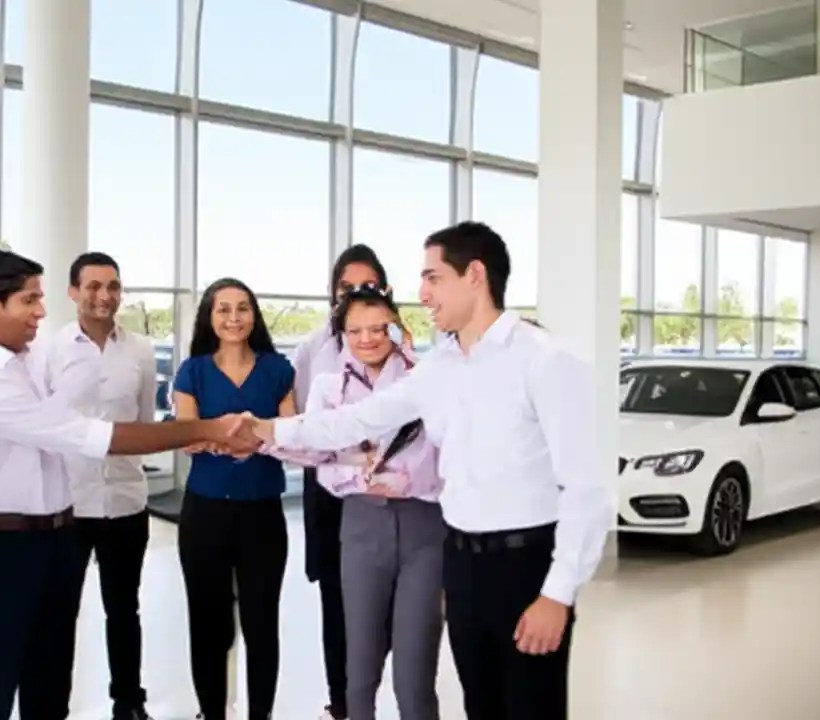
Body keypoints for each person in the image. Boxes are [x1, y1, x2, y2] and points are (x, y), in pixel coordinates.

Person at [233, 222, 613, 720]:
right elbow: (353, 421)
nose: (423, 294)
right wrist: (266, 430)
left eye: (432, 277)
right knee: (482, 706)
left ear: (474, 275)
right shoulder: (440, 367)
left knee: (530, 707)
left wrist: (557, 595)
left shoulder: (544, 361)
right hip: (460, 561)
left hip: (526, 566)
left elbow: (586, 489)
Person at [0, 251, 259, 720]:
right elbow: (102, 436)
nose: (41, 311)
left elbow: (128, 423)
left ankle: (125, 701)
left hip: (57, 528)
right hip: (11, 544)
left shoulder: (25, 361)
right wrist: (208, 429)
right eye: (29, 300)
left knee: (47, 675)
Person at [267, 283, 443, 720]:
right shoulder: (329, 386)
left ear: (398, 328)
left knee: (414, 673)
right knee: (359, 669)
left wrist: (403, 478)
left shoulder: (426, 379)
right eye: (355, 330)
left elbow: (441, 457)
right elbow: (321, 456)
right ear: (341, 334)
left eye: (378, 328)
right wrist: (358, 474)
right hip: (361, 527)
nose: (367, 339)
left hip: (424, 529)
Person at [172, 278, 296, 720]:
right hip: (205, 512)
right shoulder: (193, 371)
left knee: (263, 625)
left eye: (242, 308)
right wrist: (244, 435)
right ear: (210, 316)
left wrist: (249, 439)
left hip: (262, 513)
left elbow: (292, 436)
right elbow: (186, 436)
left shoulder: (279, 369)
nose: (233, 318)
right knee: (208, 623)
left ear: (254, 315)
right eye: (223, 309)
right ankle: (213, 713)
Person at [44, 252, 157, 720]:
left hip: (126, 501)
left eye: (112, 286)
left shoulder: (141, 351)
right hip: (68, 503)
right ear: (73, 291)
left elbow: (146, 422)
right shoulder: (49, 350)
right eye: (92, 286)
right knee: (59, 614)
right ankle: (53, 705)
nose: (103, 296)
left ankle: (128, 702)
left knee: (124, 611)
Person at [289, 244, 390, 720]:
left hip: (385, 490)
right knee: (335, 594)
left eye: (366, 286)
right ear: (332, 292)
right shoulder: (314, 347)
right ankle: (343, 701)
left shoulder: (404, 351)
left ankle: (365, 688)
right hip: (329, 488)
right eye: (346, 287)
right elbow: (308, 424)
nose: (355, 294)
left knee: (382, 599)